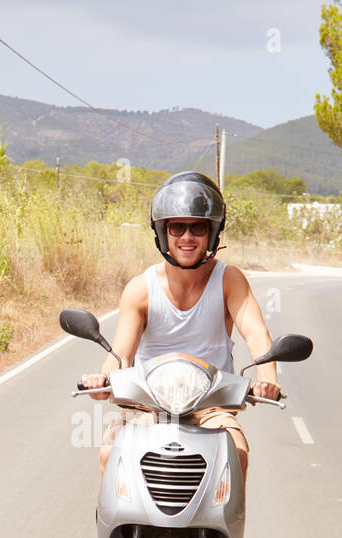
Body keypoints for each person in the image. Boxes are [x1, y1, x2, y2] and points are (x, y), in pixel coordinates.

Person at [80, 171, 280, 484]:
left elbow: (255, 332)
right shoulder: (140, 288)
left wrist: (267, 379)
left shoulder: (229, 281)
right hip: (147, 405)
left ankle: (222, 533)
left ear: (212, 233)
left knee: (236, 453)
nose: (187, 237)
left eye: (198, 227)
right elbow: (121, 353)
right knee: (109, 452)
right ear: (163, 232)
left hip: (210, 406)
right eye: (177, 227)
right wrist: (101, 379)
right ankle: (114, 532)